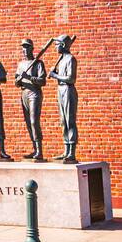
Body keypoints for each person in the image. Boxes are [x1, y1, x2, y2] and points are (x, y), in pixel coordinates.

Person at [15, 38, 47, 161]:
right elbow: (16, 83)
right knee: (28, 123)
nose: (25, 49)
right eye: (23, 47)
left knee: (34, 121)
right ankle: (35, 149)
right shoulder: (21, 64)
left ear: (32, 48)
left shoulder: (38, 63)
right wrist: (18, 81)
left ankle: (39, 150)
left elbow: (42, 81)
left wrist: (29, 77)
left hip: (34, 93)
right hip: (24, 93)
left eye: (27, 47)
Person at [53, 35, 79, 163]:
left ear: (63, 45)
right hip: (60, 90)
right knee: (63, 121)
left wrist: (55, 75)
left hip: (68, 90)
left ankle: (71, 152)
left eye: (57, 44)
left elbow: (71, 78)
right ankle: (65, 150)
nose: (55, 47)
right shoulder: (62, 59)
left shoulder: (71, 59)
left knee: (70, 120)